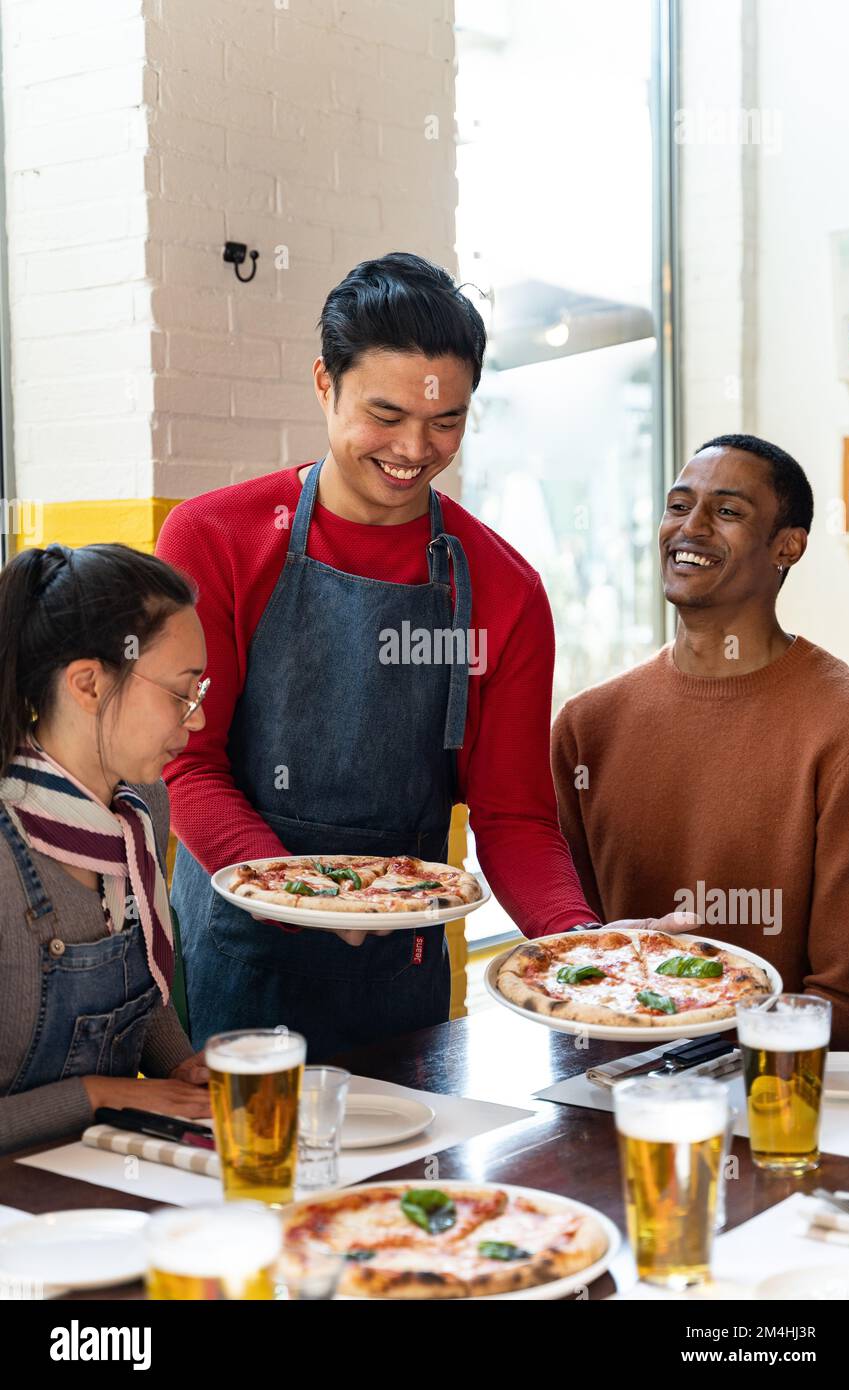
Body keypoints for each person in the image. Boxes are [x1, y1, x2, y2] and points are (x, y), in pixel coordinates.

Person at [157, 252, 690, 1059]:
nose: (415, 448)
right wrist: (304, 894)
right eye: (386, 414)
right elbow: (188, 766)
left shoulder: (505, 587)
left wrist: (579, 946)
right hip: (237, 954)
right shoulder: (214, 539)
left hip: (400, 976)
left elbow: (512, 816)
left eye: (447, 421)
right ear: (324, 385)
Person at [552, 433, 849, 1048]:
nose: (690, 527)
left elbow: (847, 1001)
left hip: (777, 1101)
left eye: (727, 512)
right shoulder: (587, 726)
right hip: (597, 1088)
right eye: (678, 505)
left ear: (787, 547)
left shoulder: (846, 729)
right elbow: (570, 950)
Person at [0, 542, 212, 1154]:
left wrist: (177, 1065)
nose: (196, 720)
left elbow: (139, 976)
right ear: (89, 683)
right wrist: (100, 1094)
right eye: (180, 692)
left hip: (110, 1173)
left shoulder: (142, 804)